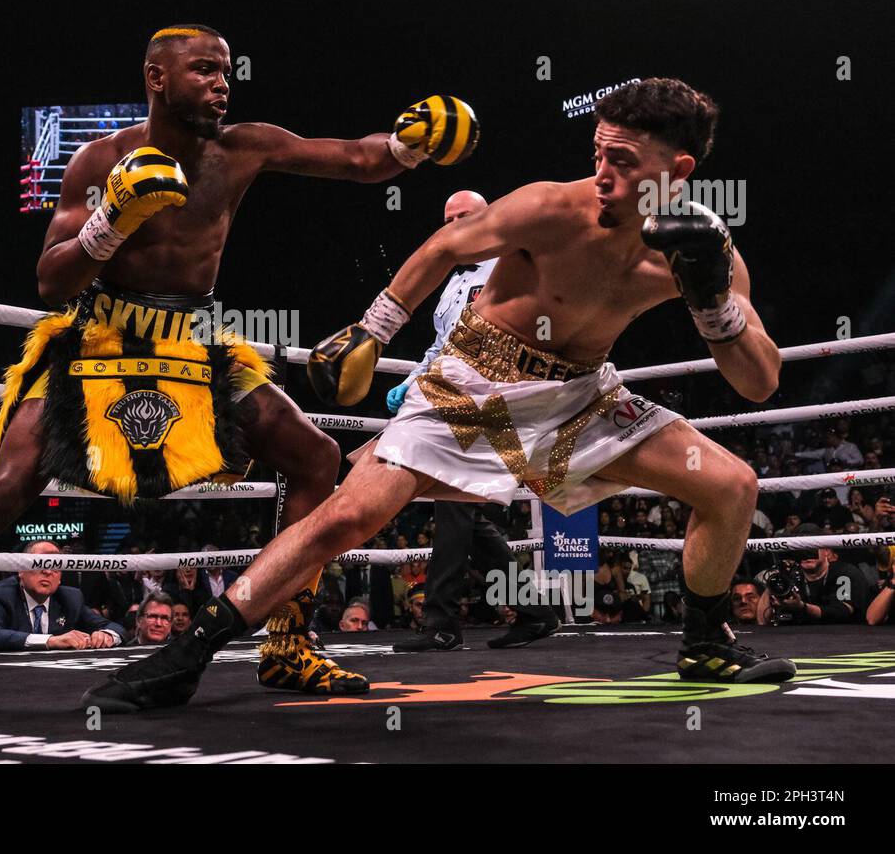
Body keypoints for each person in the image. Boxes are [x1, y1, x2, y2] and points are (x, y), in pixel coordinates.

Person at [86, 77, 797, 711]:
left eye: (623, 162)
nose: (602, 174)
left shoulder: (702, 249)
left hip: (580, 397)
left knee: (731, 484)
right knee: (349, 517)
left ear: (678, 171)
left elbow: (759, 382)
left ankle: (707, 644)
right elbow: (446, 247)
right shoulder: (551, 206)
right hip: (473, 382)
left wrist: (715, 309)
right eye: (598, 154)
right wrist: (374, 327)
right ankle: (186, 656)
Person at [0, 22, 478, 713]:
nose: (221, 84)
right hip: (102, 337)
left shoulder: (243, 147)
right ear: (157, 78)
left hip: (193, 343)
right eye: (203, 70)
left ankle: (288, 644)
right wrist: (110, 221)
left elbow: (354, 158)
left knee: (315, 456)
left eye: (225, 71)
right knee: (9, 483)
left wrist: (408, 147)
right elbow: (51, 282)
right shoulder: (99, 160)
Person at [390, 189, 560, 652]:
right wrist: (412, 379)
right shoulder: (450, 283)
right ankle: (535, 610)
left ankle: (442, 624)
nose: (456, 225)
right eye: (448, 219)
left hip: (495, 399)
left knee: (453, 506)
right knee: (465, 513)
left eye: (465, 216)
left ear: (490, 218)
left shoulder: (512, 266)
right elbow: (441, 345)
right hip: (454, 395)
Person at [0, 541, 124, 652]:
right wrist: (50, 641)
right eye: (40, 563)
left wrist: (106, 635)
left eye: (55, 565)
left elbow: (115, 628)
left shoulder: (70, 598)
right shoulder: (1, 595)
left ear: (60, 576)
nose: (48, 571)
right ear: (21, 570)